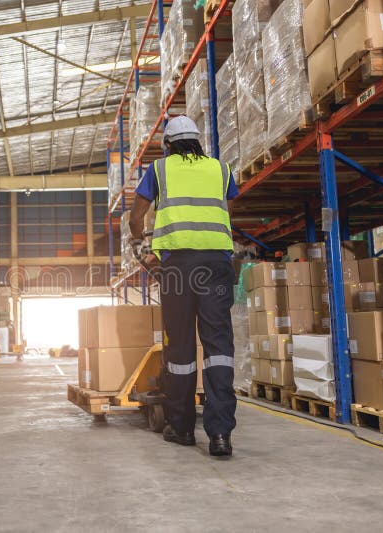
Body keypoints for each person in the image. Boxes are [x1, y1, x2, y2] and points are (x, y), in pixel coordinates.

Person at [128, 116, 238, 457]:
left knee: (180, 350)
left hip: (177, 267)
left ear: (169, 144)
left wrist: (140, 244)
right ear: (198, 141)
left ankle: (182, 428)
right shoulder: (221, 169)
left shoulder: (159, 170)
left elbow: (136, 216)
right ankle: (220, 435)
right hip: (217, 265)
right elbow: (229, 206)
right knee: (218, 346)